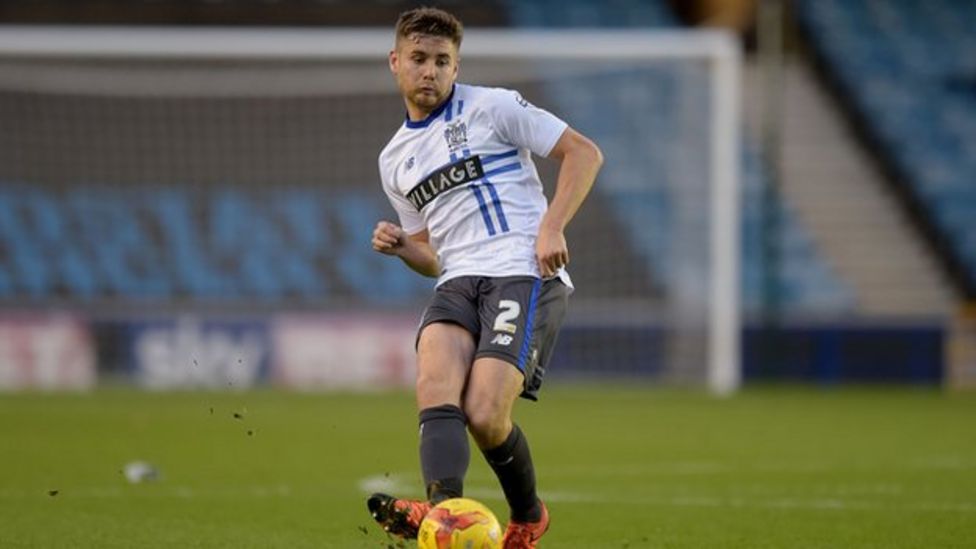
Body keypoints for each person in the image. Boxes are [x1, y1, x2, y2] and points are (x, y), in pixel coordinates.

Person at [367, 7, 603, 548]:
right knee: (434, 388)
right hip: (456, 281)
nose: (430, 70)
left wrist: (552, 226)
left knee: (484, 414)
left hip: (522, 271)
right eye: (419, 58)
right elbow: (433, 255)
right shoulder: (394, 160)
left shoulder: (492, 107)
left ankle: (529, 516)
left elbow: (584, 153)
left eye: (442, 61)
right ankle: (441, 514)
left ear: (456, 66)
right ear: (396, 62)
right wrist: (404, 249)